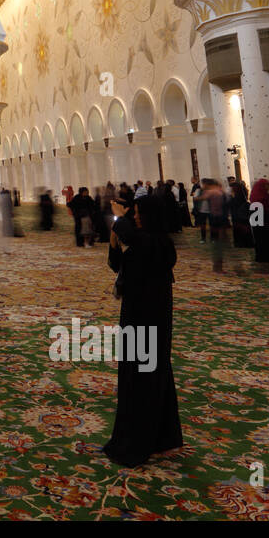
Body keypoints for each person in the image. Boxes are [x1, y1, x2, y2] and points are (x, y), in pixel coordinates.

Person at [102, 194, 182, 468]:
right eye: (133, 214)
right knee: (145, 373)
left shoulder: (159, 243)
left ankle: (139, 440)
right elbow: (118, 264)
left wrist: (119, 218)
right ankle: (161, 436)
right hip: (137, 315)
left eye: (138, 214)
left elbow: (132, 237)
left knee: (143, 375)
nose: (135, 218)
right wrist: (115, 238)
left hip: (148, 319)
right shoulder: (147, 243)